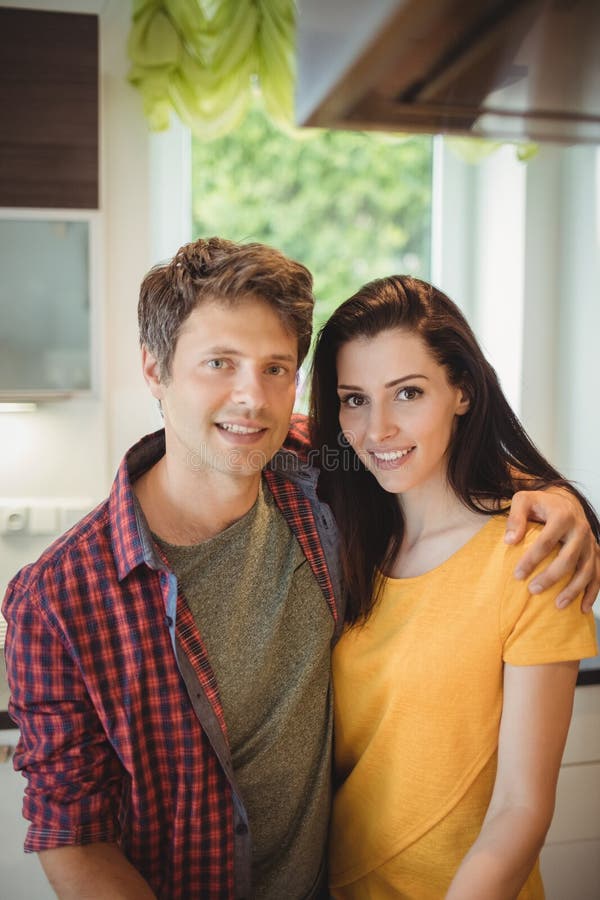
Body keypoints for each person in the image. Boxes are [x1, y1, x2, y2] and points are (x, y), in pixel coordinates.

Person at [2, 241, 598, 900]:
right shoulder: (58, 599)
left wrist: (554, 500)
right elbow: (74, 836)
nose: (250, 398)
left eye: (276, 368)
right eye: (219, 363)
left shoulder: (313, 475)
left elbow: (413, 447)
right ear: (154, 367)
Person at [309, 274, 599, 899]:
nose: (378, 428)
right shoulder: (344, 538)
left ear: (462, 391)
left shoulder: (533, 554)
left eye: (407, 393)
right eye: (354, 399)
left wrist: (563, 500)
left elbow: (521, 810)